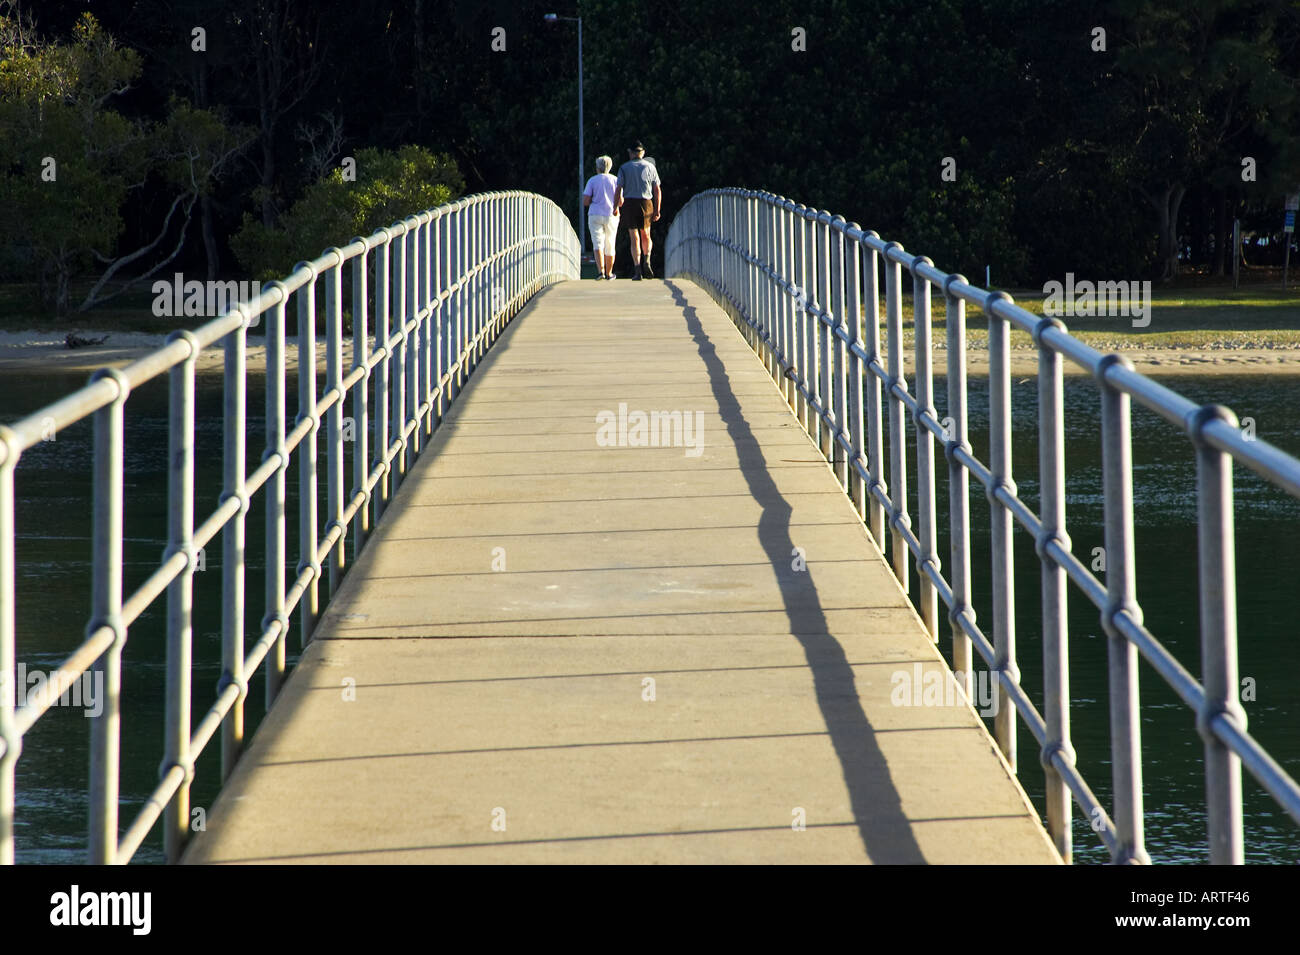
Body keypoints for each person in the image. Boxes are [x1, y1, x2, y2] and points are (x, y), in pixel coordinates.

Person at [613, 140, 661, 280]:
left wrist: (615, 207)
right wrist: (657, 209)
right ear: (643, 153)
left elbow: (618, 189)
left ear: (631, 153)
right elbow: (657, 189)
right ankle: (647, 259)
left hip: (629, 203)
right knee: (646, 234)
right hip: (646, 203)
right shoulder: (650, 167)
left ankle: (637, 270)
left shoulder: (624, 168)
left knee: (634, 237)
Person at [582, 156, 620, 280]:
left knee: (597, 243)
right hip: (611, 214)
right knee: (610, 243)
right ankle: (609, 273)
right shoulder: (615, 180)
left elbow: (586, 201)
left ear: (598, 168)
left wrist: (595, 199)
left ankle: (601, 272)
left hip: (595, 214)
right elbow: (621, 201)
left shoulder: (592, 181)